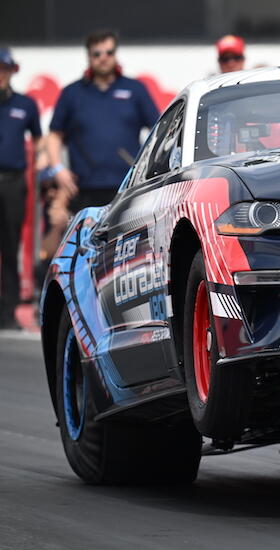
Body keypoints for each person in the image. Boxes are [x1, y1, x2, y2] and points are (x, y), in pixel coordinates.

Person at [45, 30, 160, 212]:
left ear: (116, 54)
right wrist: (58, 169)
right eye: (97, 54)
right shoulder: (72, 93)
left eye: (109, 52)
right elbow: (54, 135)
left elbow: (159, 130)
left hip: (128, 187)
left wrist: (150, 168)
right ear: (89, 56)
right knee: (86, 240)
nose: (103, 58)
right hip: (84, 189)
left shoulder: (135, 89)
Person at [0, 48, 41, 329]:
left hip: (13, 183)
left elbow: (38, 142)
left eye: (3, 68)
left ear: (12, 71)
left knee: (10, 246)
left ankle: (9, 310)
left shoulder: (25, 105)